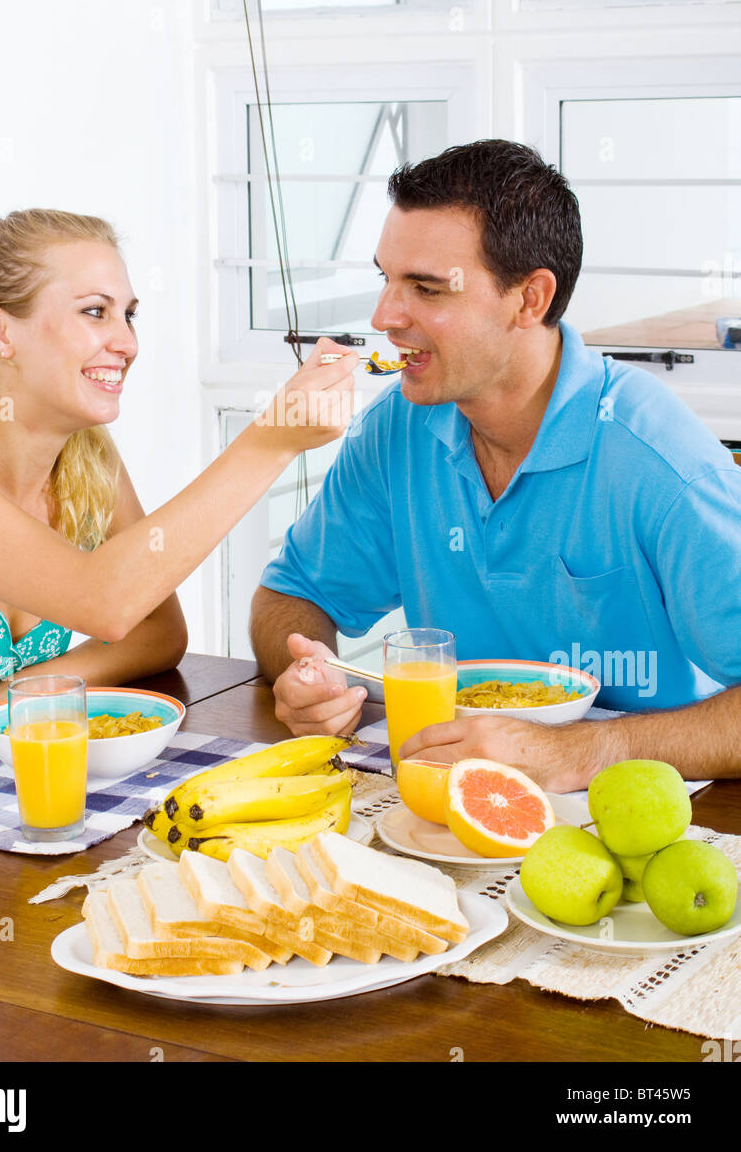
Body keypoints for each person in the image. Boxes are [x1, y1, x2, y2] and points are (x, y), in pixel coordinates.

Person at [250, 140, 741, 791]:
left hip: (640, 818)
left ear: (530, 299)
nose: (384, 318)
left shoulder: (661, 464)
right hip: (451, 797)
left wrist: (584, 750)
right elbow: (291, 596)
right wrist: (303, 671)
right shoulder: (399, 427)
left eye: (425, 288)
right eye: (386, 280)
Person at [0, 208, 357, 772]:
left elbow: (158, 629)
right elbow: (104, 603)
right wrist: (270, 441)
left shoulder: (86, 459)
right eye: (94, 312)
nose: (126, 342)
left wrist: (29, 690)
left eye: (128, 315)